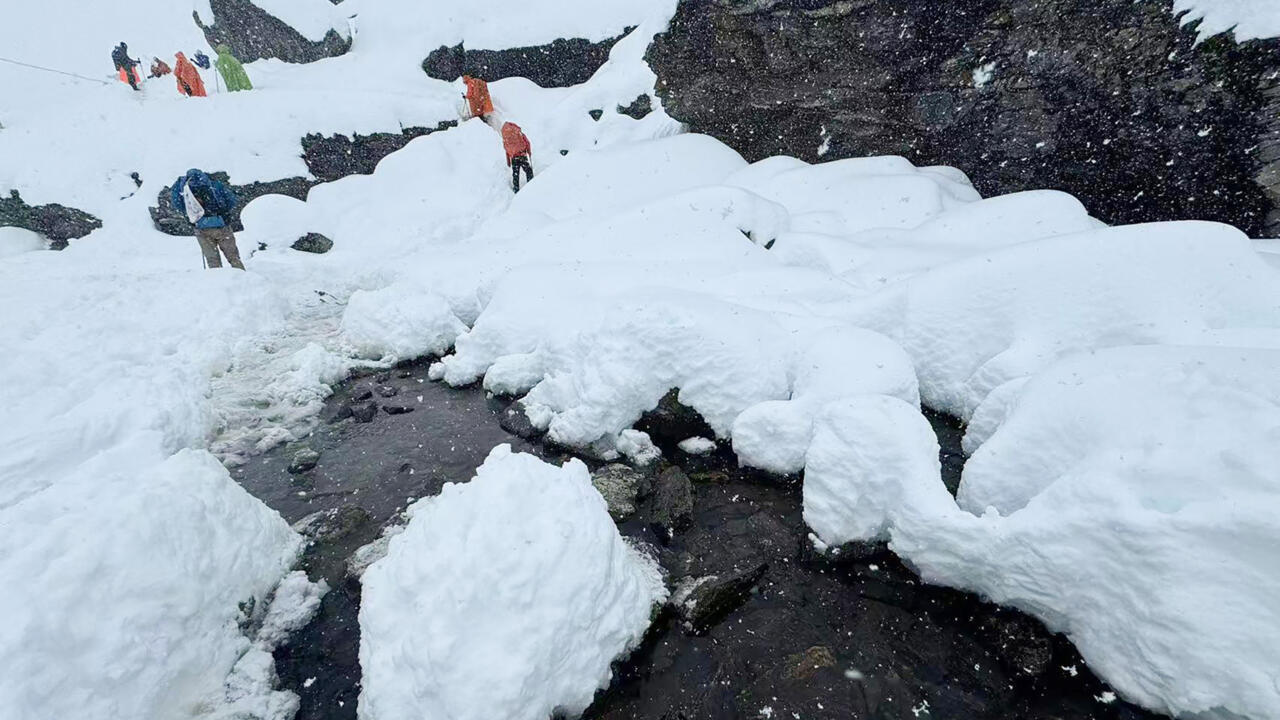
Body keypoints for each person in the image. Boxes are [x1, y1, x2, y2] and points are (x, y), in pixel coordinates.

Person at [170, 169, 244, 270]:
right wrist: (224, 213)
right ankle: (242, 279)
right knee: (233, 257)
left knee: (212, 260)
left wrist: (191, 215)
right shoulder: (214, 184)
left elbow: (177, 203)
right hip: (221, 224)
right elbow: (231, 200)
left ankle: (218, 282)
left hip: (201, 227)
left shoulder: (182, 187)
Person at [502, 122, 533, 192]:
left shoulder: (507, 139)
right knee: (528, 170)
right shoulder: (519, 133)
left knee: (515, 174)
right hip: (522, 155)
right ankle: (531, 184)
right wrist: (529, 152)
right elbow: (527, 143)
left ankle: (516, 189)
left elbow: (506, 150)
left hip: (514, 157)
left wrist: (508, 161)